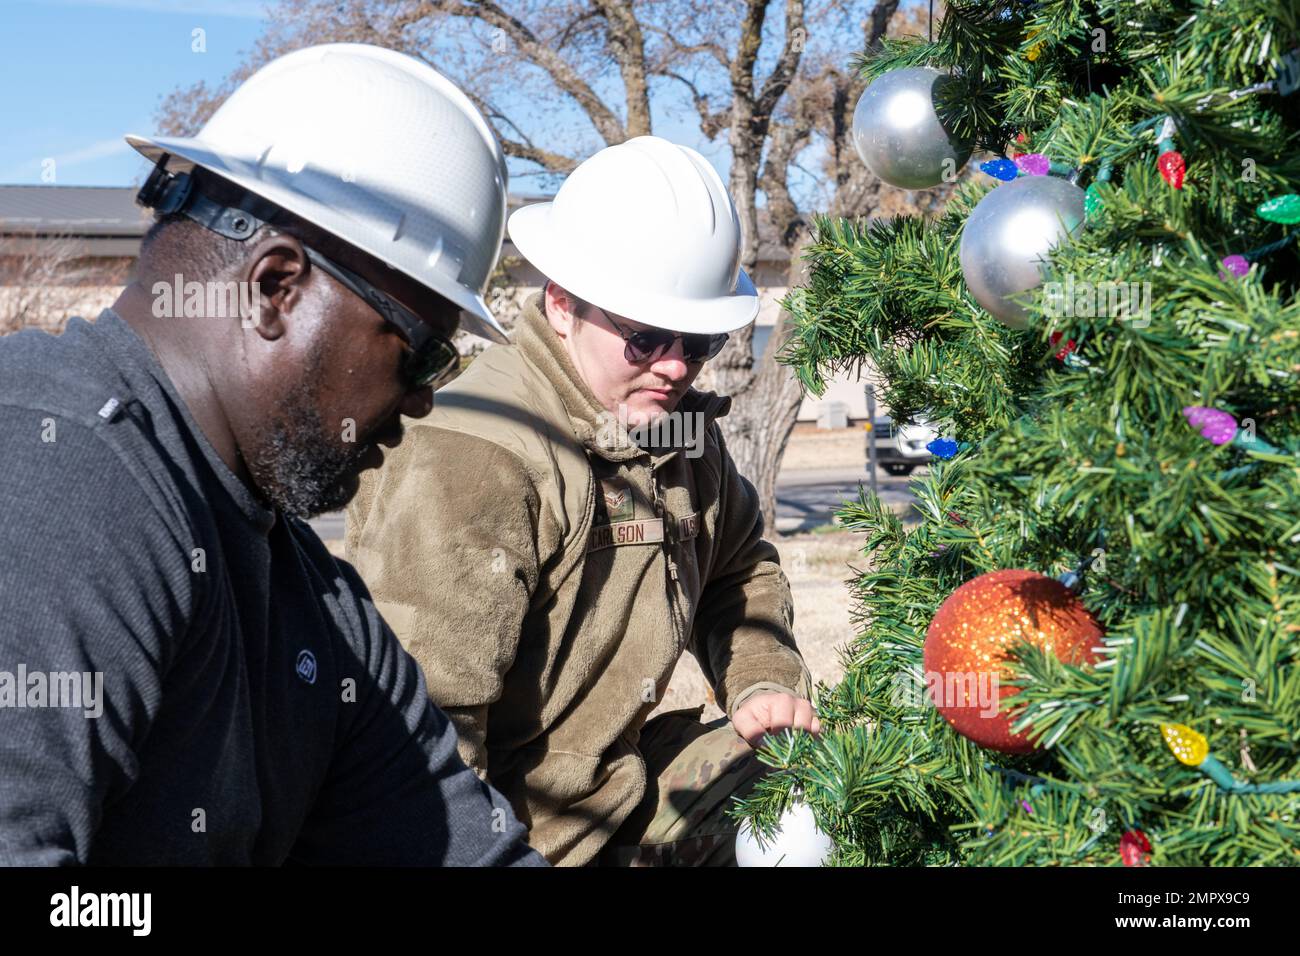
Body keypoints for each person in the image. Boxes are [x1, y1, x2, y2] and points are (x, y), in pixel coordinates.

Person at [0, 43, 545, 866]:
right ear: (274, 288)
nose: (427, 397)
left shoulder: (305, 587)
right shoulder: (57, 478)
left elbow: (454, 843)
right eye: (425, 353)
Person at [346, 135, 818, 867]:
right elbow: (425, 737)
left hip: (621, 795)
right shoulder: (475, 455)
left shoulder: (680, 429)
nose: (674, 367)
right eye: (644, 337)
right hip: (514, 836)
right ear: (563, 305)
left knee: (824, 801)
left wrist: (762, 680)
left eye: (697, 342)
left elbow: (737, 573)